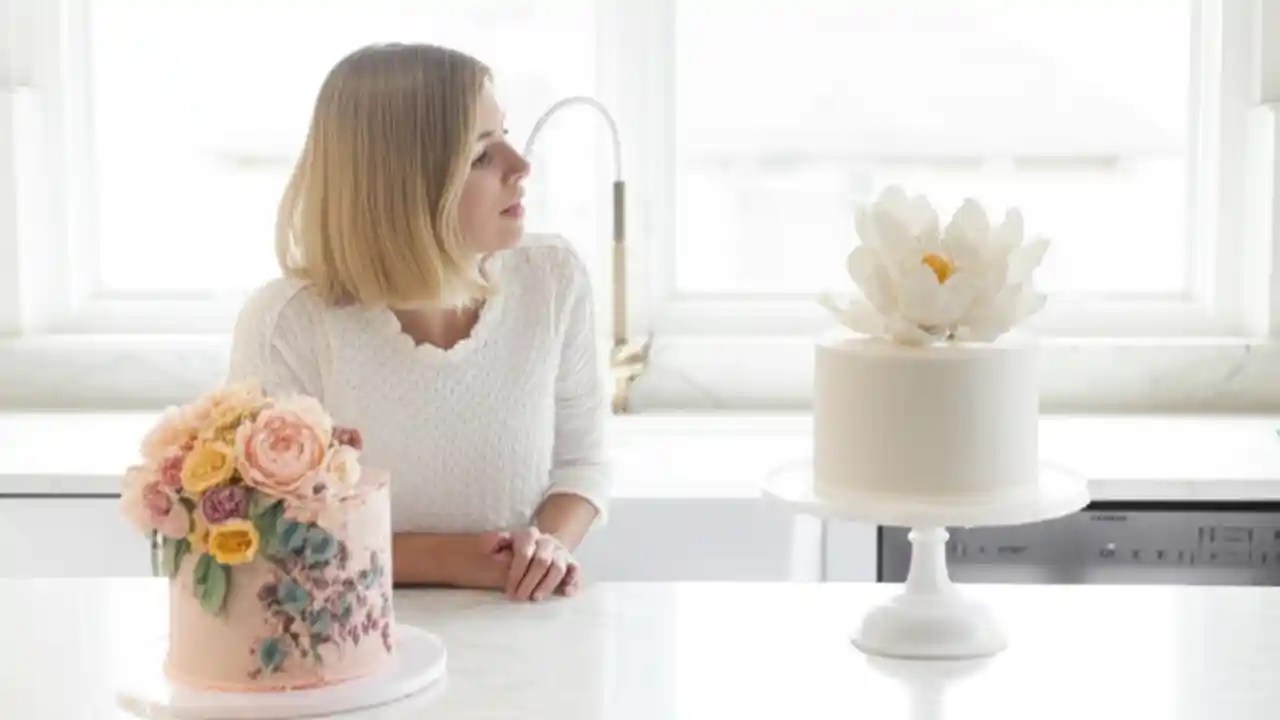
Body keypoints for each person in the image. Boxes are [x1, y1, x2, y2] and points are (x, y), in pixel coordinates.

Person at [227, 43, 610, 603]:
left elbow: (582, 464)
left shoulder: (552, 280)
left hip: (520, 620)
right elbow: (272, 529)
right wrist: (452, 559)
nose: (521, 166)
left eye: (505, 134)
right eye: (482, 156)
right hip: (347, 637)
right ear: (405, 186)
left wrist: (544, 550)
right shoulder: (290, 323)